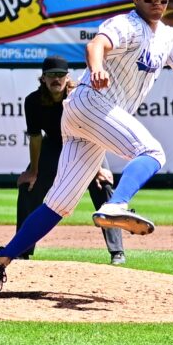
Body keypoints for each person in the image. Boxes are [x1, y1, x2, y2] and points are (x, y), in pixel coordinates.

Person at [0, 0, 173, 294]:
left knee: (58, 205)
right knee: (152, 152)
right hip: (92, 102)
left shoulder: (169, 37)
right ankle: (117, 204)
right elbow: (96, 45)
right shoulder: (126, 24)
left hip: (89, 119)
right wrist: (96, 68)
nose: (157, 2)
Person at [18, 57, 127, 266]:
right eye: (51, 75)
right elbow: (36, 137)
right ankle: (22, 249)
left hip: (86, 143)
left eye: (60, 75)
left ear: (67, 77)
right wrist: (33, 170)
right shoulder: (33, 101)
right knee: (28, 186)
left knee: (102, 185)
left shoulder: (79, 97)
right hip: (54, 146)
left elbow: (96, 131)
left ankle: (117, 252)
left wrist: (97, 169)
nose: (56, 79)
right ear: (43, 78)